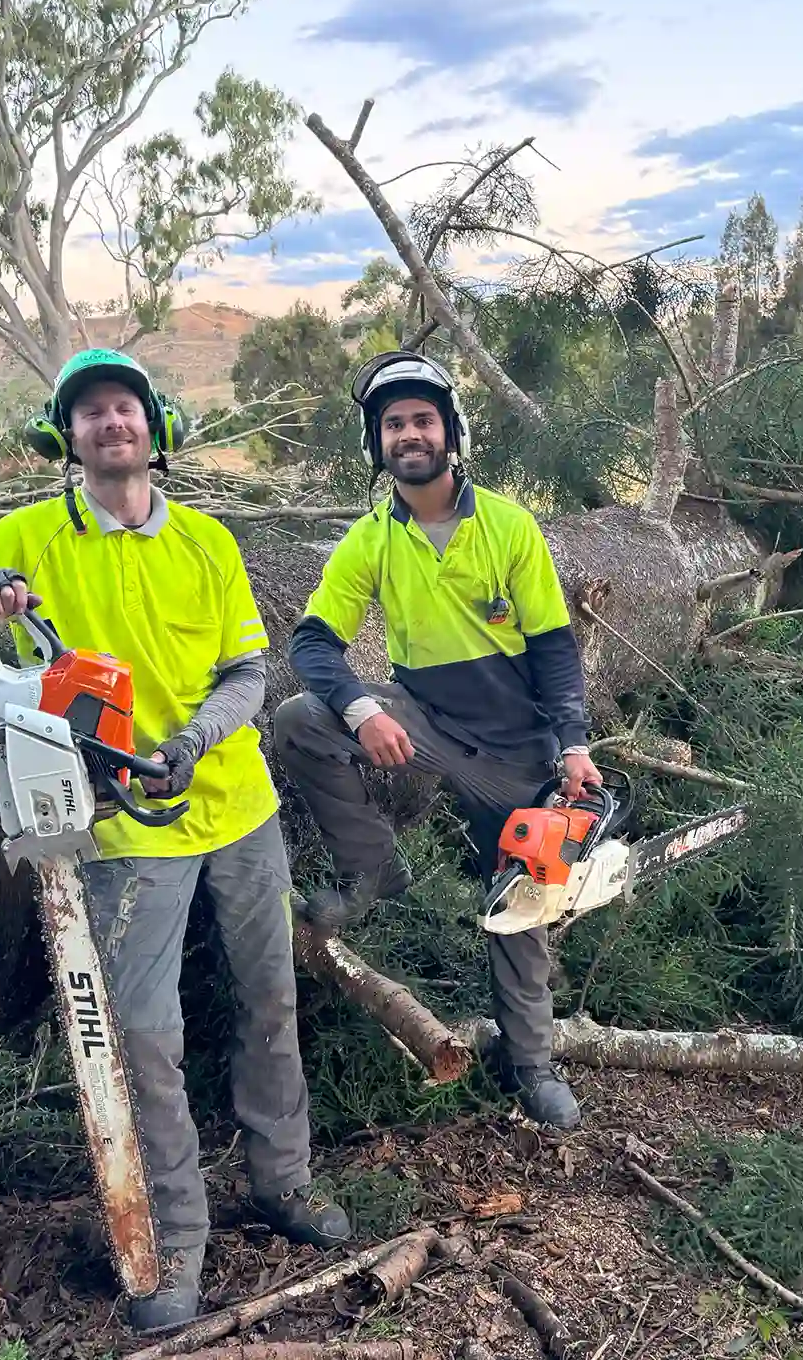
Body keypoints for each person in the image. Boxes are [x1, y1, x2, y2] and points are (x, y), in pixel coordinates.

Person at [0, 348, 350, 1333]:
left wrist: (192, 744)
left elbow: (246, 678)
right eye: (88, 411)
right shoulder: (27, 542)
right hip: (121, 825)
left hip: (238, 805)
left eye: (123, 407)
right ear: (68, 438)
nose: (109, 422)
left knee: (270, 998)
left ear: (155, 429)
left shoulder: (210, 544)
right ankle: (175, 1236)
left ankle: (283, 1182)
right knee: (141, 1035)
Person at [272, 350, 599, 1131]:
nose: (409, 434)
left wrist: (574, 745)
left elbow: (554, 648)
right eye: (394, 424)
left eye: (422, 420)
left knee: (519, 904)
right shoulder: (371, 540)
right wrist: (361, 709)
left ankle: (533, 1065)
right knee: (300, 718)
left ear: (450, 431)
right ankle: (374, 867)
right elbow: (313, 644)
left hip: (517, 750)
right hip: (425, 725)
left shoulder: (508, 527)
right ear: (376, 442)